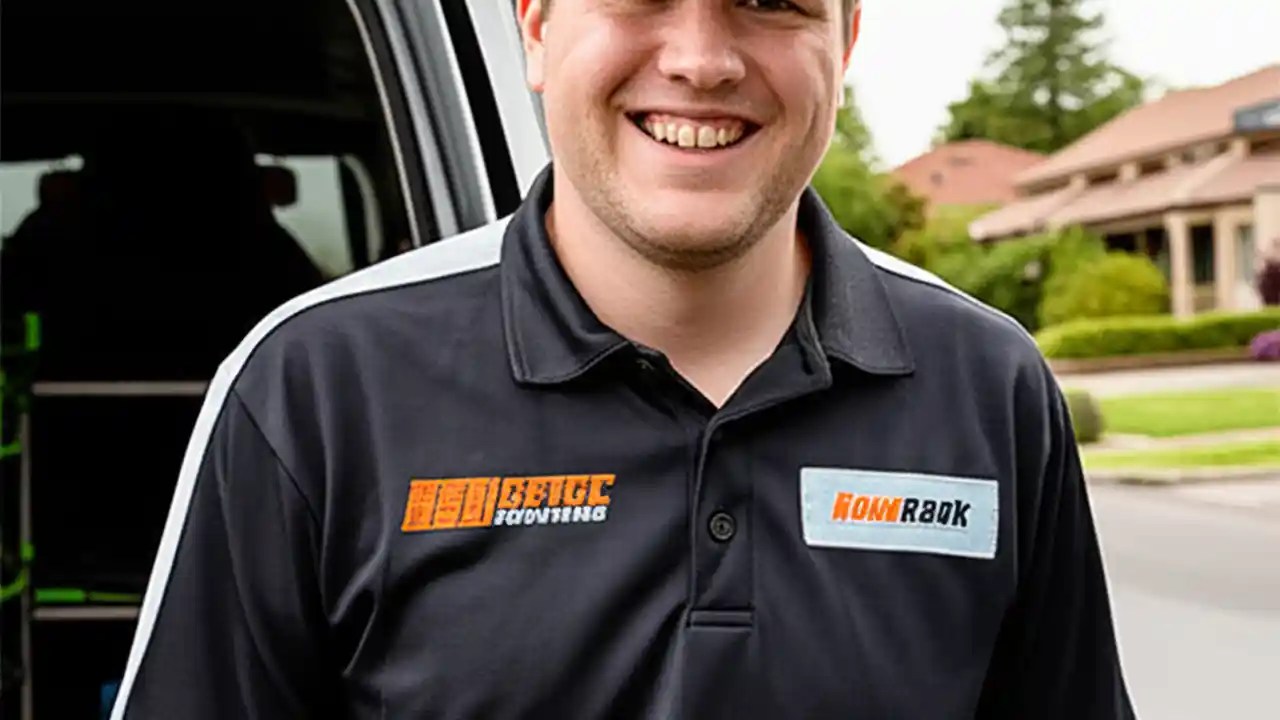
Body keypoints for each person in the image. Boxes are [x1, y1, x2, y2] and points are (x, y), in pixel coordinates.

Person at [110, 1, 1136, 718]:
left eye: (768, 1)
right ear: (537, 29)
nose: (701, 58)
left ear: (845, 37)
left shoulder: (988, 386)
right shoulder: (313, 388)